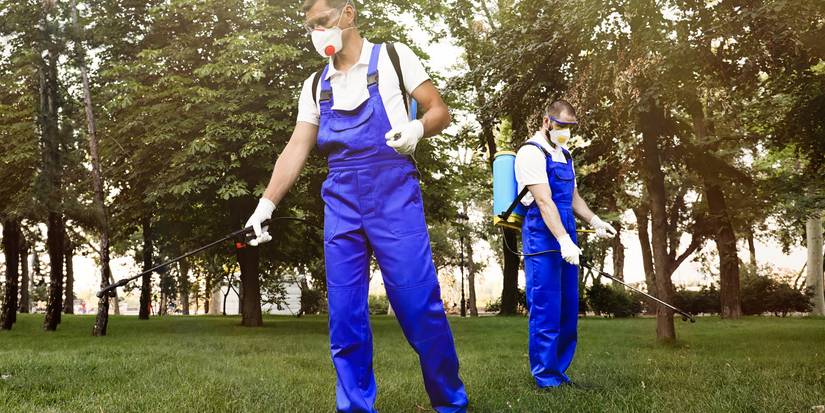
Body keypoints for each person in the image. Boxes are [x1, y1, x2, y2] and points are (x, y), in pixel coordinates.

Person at [243, 1, 468, 411]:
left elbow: (440, 110)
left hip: (394, 192)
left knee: (419, 306)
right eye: (310, 27)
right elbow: (297, 146)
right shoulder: (315, 85)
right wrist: (265, 205)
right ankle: (355, 407)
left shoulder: (394, 57)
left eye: (323, 22)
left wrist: (417, 127)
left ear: (347, 15)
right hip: (341, 200)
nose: (317, 33)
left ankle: (450, 403)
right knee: (345, 317)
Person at [514, 100, 617, 388]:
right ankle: (545, 377)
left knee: (568, 310)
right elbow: (544, 202)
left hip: (566, 234)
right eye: (561, 127)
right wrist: (563, 240)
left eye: (570, 128)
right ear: (546, 122)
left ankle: (559, 372)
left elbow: (573, 199)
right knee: (546, 309)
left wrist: (596, 221)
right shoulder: (530, 153)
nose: (565, 133)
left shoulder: (566, 154)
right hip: (542, 239)